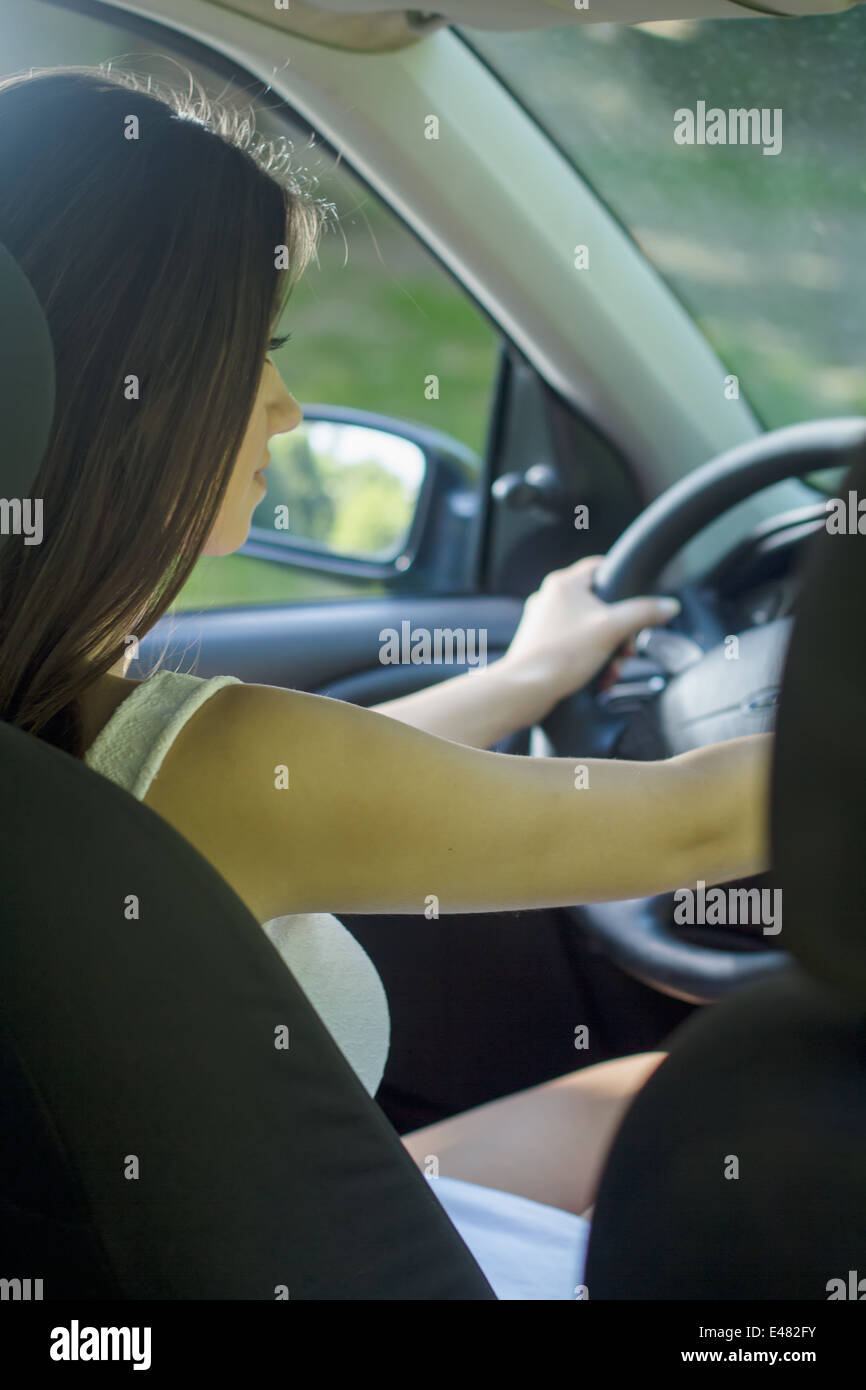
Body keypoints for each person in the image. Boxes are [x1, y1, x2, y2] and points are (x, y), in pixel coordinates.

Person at [0, 67, 771, 1299]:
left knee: (645, 1102)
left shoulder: (70, 751)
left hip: (208, 1249)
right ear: (131, 395)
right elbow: (702, 817)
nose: (290, 409)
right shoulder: (208, 767)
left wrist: (524, 676)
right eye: (258, 354)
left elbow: (272, 795)